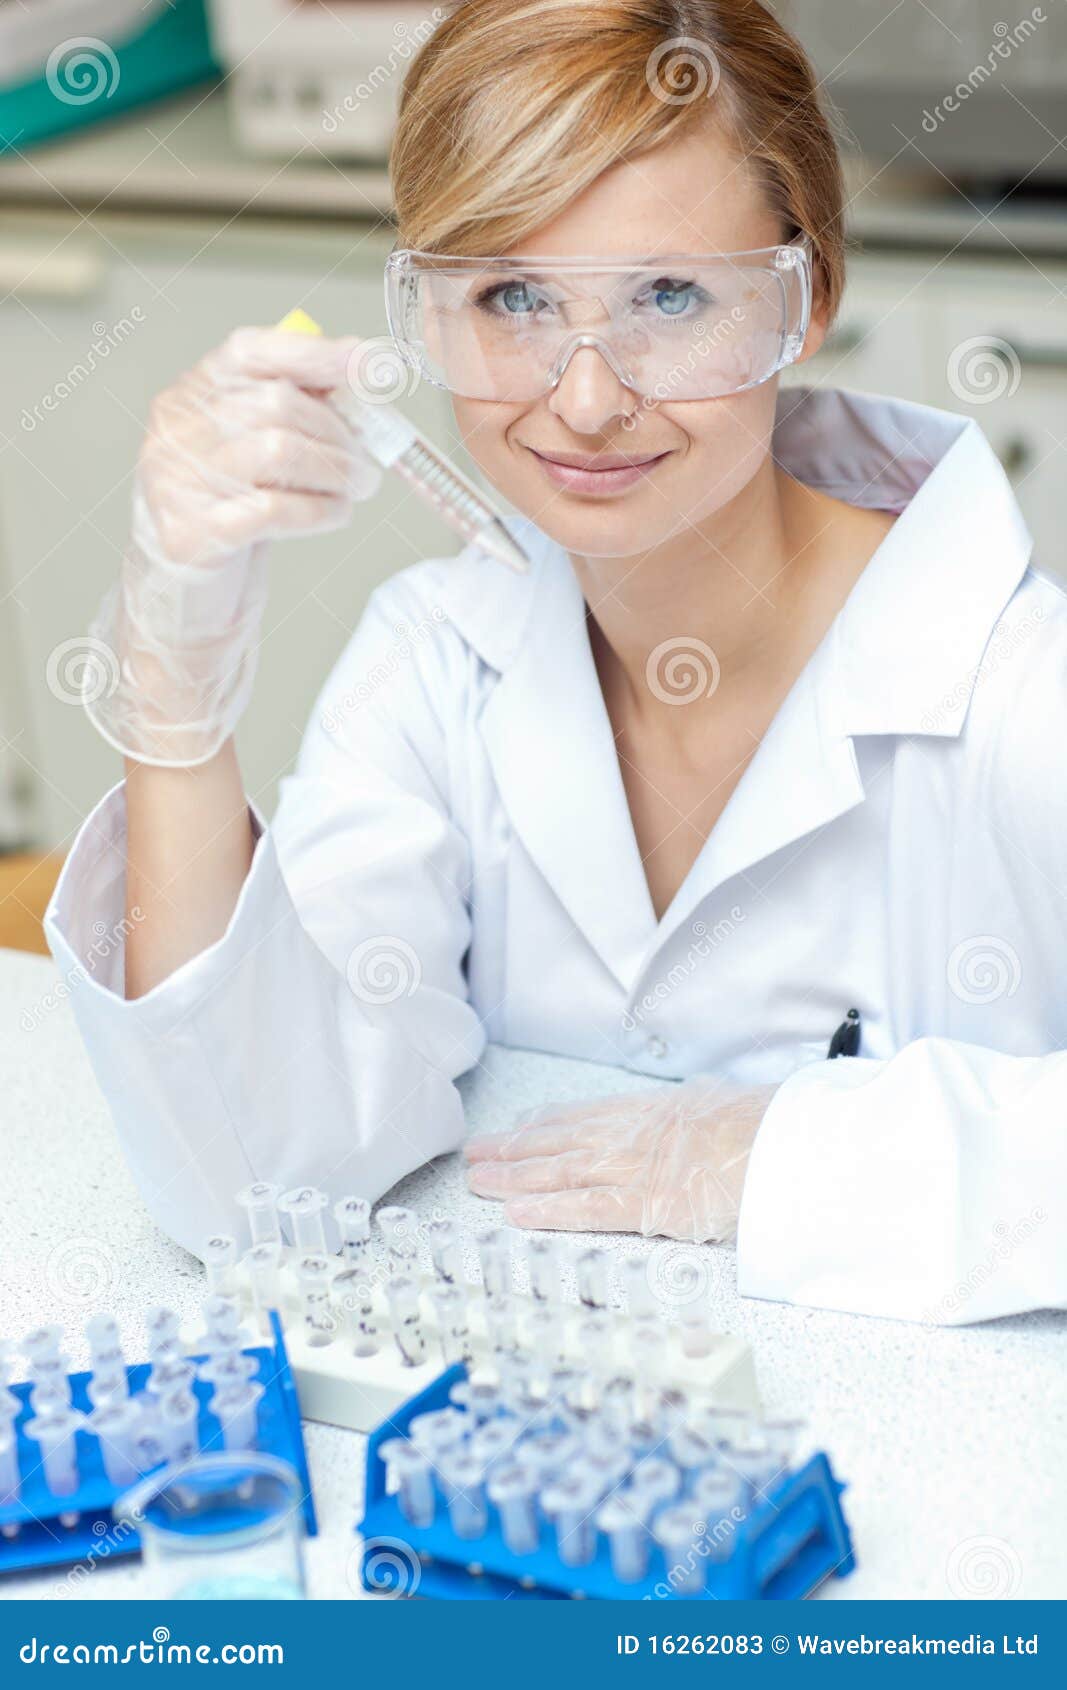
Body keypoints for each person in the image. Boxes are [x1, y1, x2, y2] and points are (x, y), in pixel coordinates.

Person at [47, 0, 1065, 1323]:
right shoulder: (435, 660)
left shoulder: (1016, 690)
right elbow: (249, 1183)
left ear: (806, 299)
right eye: (514, 298)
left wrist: (772, 1154)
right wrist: (172, 695)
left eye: (670, 295)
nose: (583, 398)